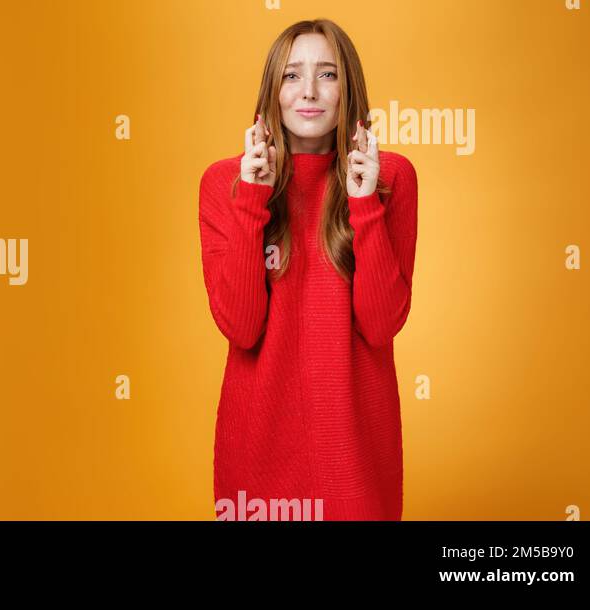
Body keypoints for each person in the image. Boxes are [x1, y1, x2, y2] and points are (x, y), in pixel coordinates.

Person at [198, 18, 418, 520]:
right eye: (292, 76)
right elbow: (240, 326)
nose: (310, 92)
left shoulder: (392, 179)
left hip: (355, 454)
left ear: (349, 88)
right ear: (272, 92)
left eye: (328, 74)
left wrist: (364, 205)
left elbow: (382, 324)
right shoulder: (224, 183)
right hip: (258, 452)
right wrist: (253, 198)